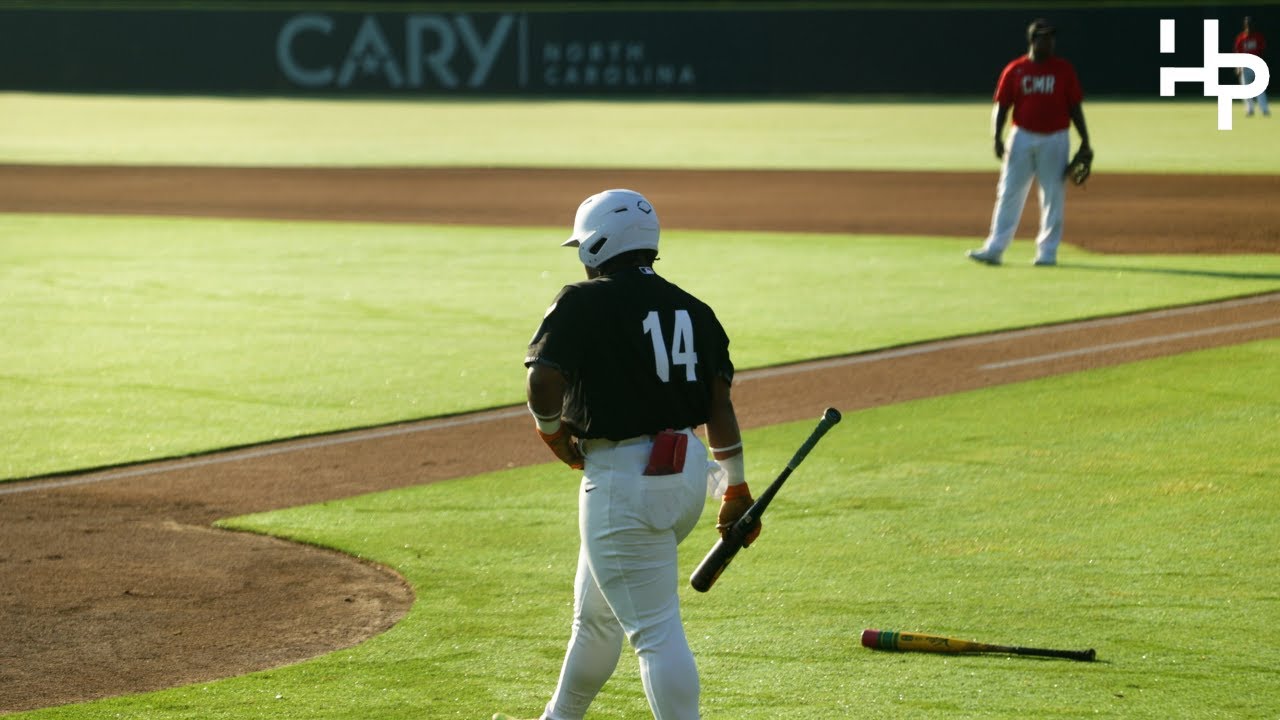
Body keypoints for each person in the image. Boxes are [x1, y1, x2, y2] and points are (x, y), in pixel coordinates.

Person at [499, 189, 758, 720]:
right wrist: (735, 487)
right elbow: (719, 408)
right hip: (685, 473)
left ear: (597, 244)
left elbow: (542, 379)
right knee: (595, 618)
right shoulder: (695, 309)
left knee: (655, 632)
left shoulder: (583, 300)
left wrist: (552, 435)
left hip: (624, 481)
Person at [967, 19, 1091, 267]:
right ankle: (995, 248)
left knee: (1053, 195)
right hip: (1021, 136)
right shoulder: (1016, 69)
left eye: (1051, 37)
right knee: (1009, 192)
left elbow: (1074, 106)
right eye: (1044, 37)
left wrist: (1085, 140)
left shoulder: (1063, 70)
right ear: (1033, 41)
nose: (1049, 42)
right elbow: (1002, 106)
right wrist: (997, 137)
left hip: (1055, 138)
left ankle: (1047, 252)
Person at [1235, 16, 1271, 118]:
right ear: (1245, 25)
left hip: (1257, 65)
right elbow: (1238, 53)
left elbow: (1262, 51)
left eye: (1250, 23)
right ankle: (1250, 110)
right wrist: (1238, 67)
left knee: (1260, 89)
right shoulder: (1241, 38)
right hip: (1245, 66)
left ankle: (1264, 110)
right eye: (1247, 23)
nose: (1249, 25)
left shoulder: (1258, 37)